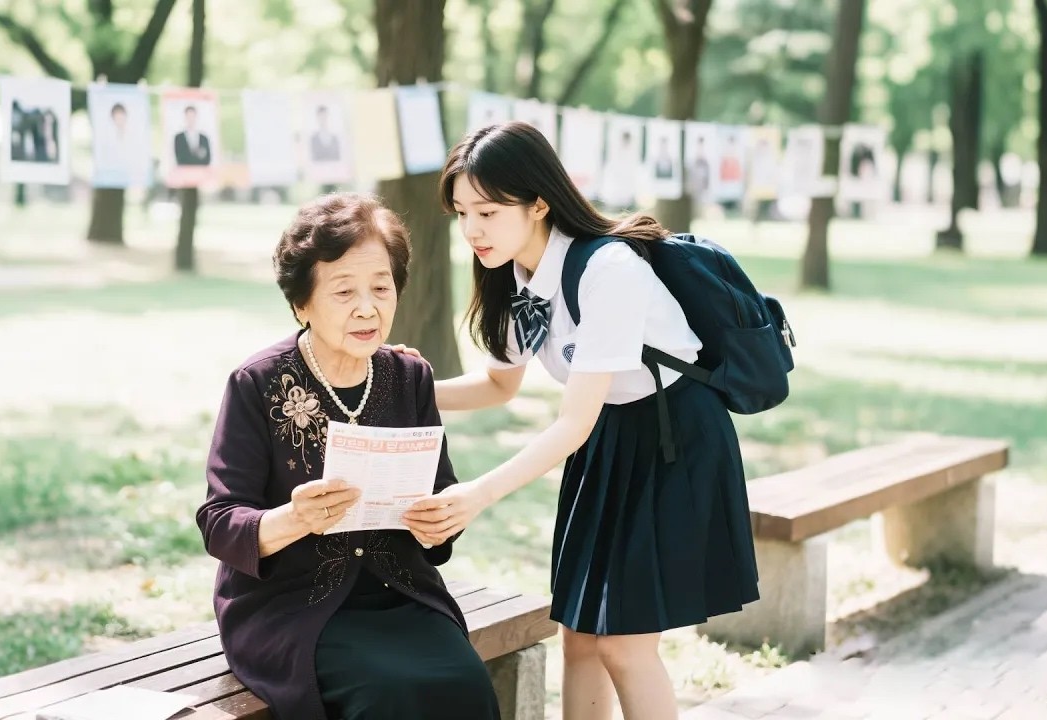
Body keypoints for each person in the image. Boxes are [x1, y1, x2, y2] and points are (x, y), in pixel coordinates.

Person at [402, 122, 759, 720]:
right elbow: (498, 383)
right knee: (580, 635)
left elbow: (572, 423)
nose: (471, 230)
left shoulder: (607, 268)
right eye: (462, 212)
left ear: (540, 202)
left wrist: (476, 496)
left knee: (623, 643)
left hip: (673, 436)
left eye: (488, 212)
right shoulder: (512, 272)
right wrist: (402, 391)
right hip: (609, 436)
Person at [196, 193, 502, 720]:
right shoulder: (258, 383)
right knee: (383, 694)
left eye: (382, 288)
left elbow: (442, 493)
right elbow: (220, 522)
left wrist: (441, 521)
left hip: (400, 593)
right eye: (343, 291)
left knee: (465, 681)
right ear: (301, 303)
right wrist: (292, 519)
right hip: (292, 607)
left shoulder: (410, 377)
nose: (368, 307)